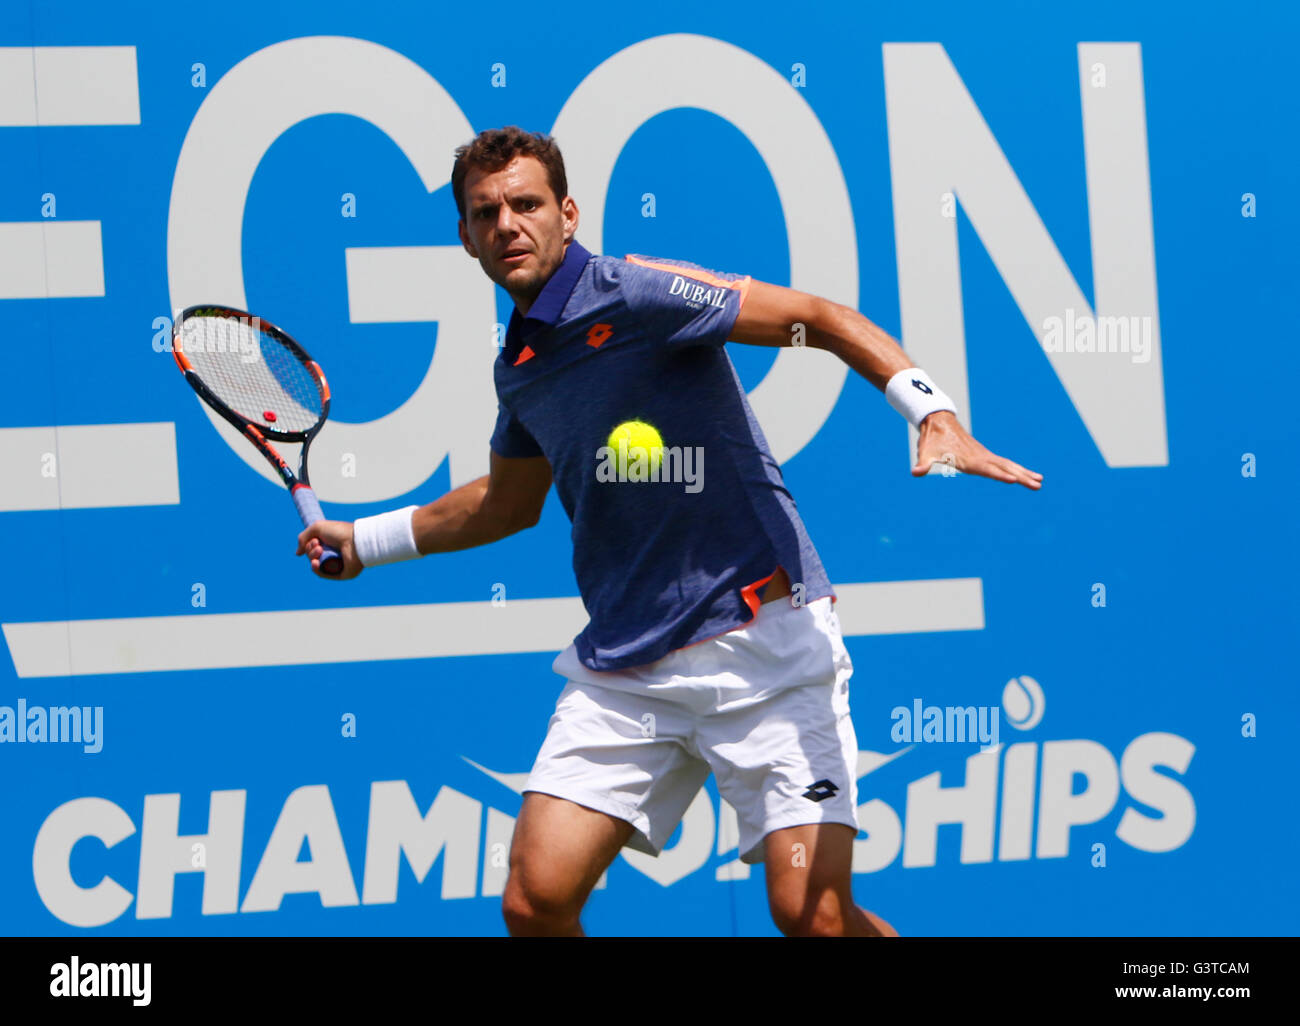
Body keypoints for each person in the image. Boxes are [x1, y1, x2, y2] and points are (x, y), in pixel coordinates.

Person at [298, 126, 1042, 937]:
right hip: (629, 669)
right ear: (465, 237)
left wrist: (930, 409)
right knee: (536, 902)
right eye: (485, 213)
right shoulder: (519, 368)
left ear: (567, 213)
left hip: (767, 644)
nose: (507, 224)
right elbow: (506, 505)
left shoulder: (644, 294)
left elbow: (819, 319)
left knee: (814, 916)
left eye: (526, 204)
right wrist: (363, 541)